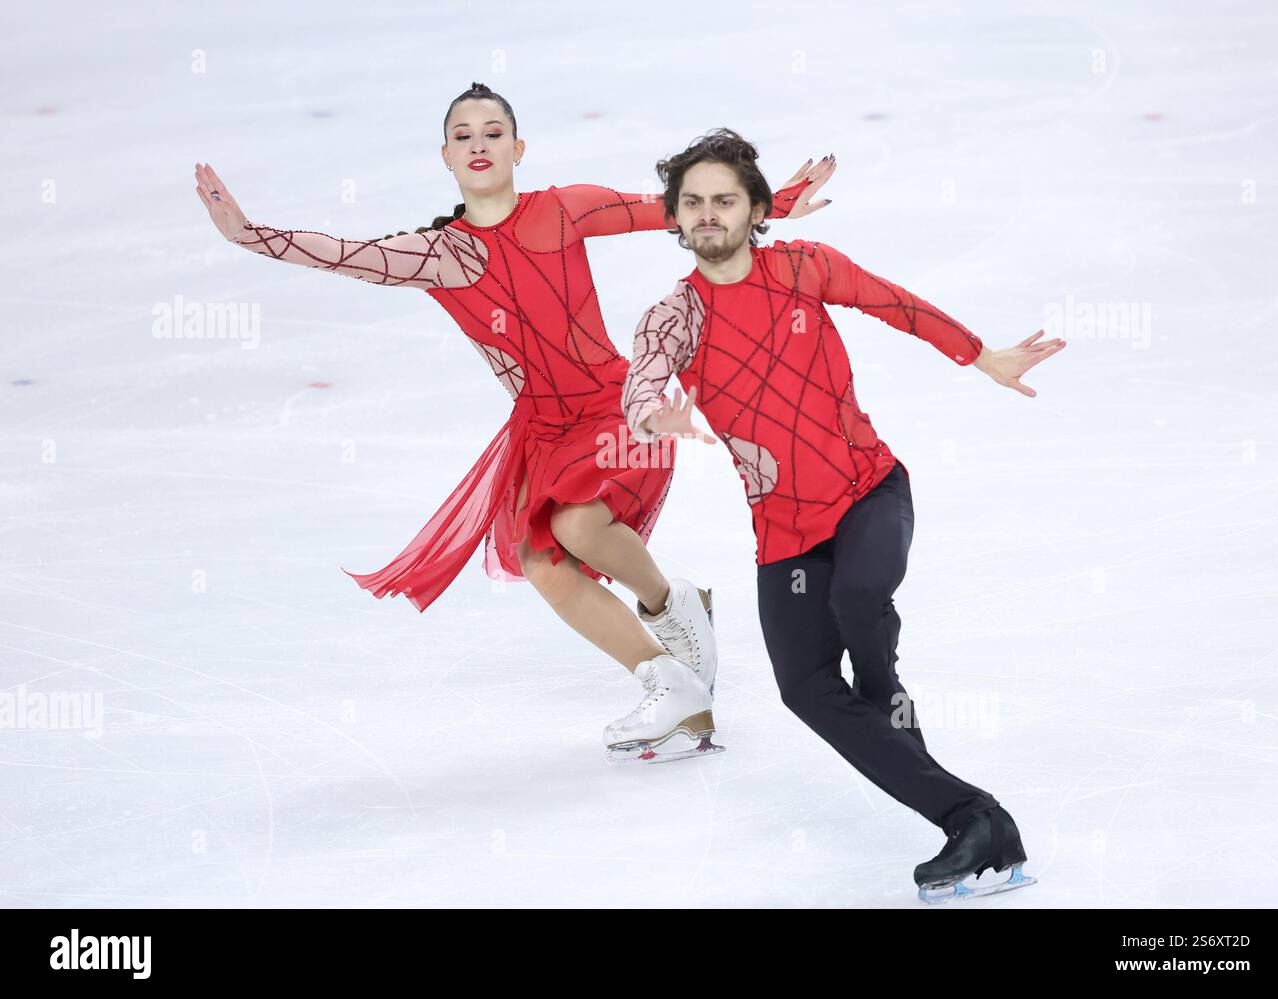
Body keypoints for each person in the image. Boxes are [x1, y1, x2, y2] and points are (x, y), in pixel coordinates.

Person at [194, 84, 834, 764]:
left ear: (518, 148)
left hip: (613, 406)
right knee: (544, 561)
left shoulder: (562, 209)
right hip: (543, 430)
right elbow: (347, 253)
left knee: (575, 527)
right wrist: (249, 235)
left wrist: (777, 203)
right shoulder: (443, 254)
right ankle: (668, 650)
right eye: (463, 135)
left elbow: (675, 211)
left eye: (493, 132)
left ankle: (672, 640)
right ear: (445, 155)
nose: (478, 143)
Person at [621, 127, 1064, 897]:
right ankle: (971, 816)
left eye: (724, 199)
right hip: (784, 534)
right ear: (675, 217)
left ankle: (893, 700)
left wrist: (979, 353)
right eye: (692, 202)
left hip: (869, 493)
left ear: (756, 208)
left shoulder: (802, 267)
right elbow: (643, 381)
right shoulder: (674, 317)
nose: (707, 214)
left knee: (860, 599)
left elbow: (895, 304)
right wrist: (651, 412)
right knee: (805, 688)